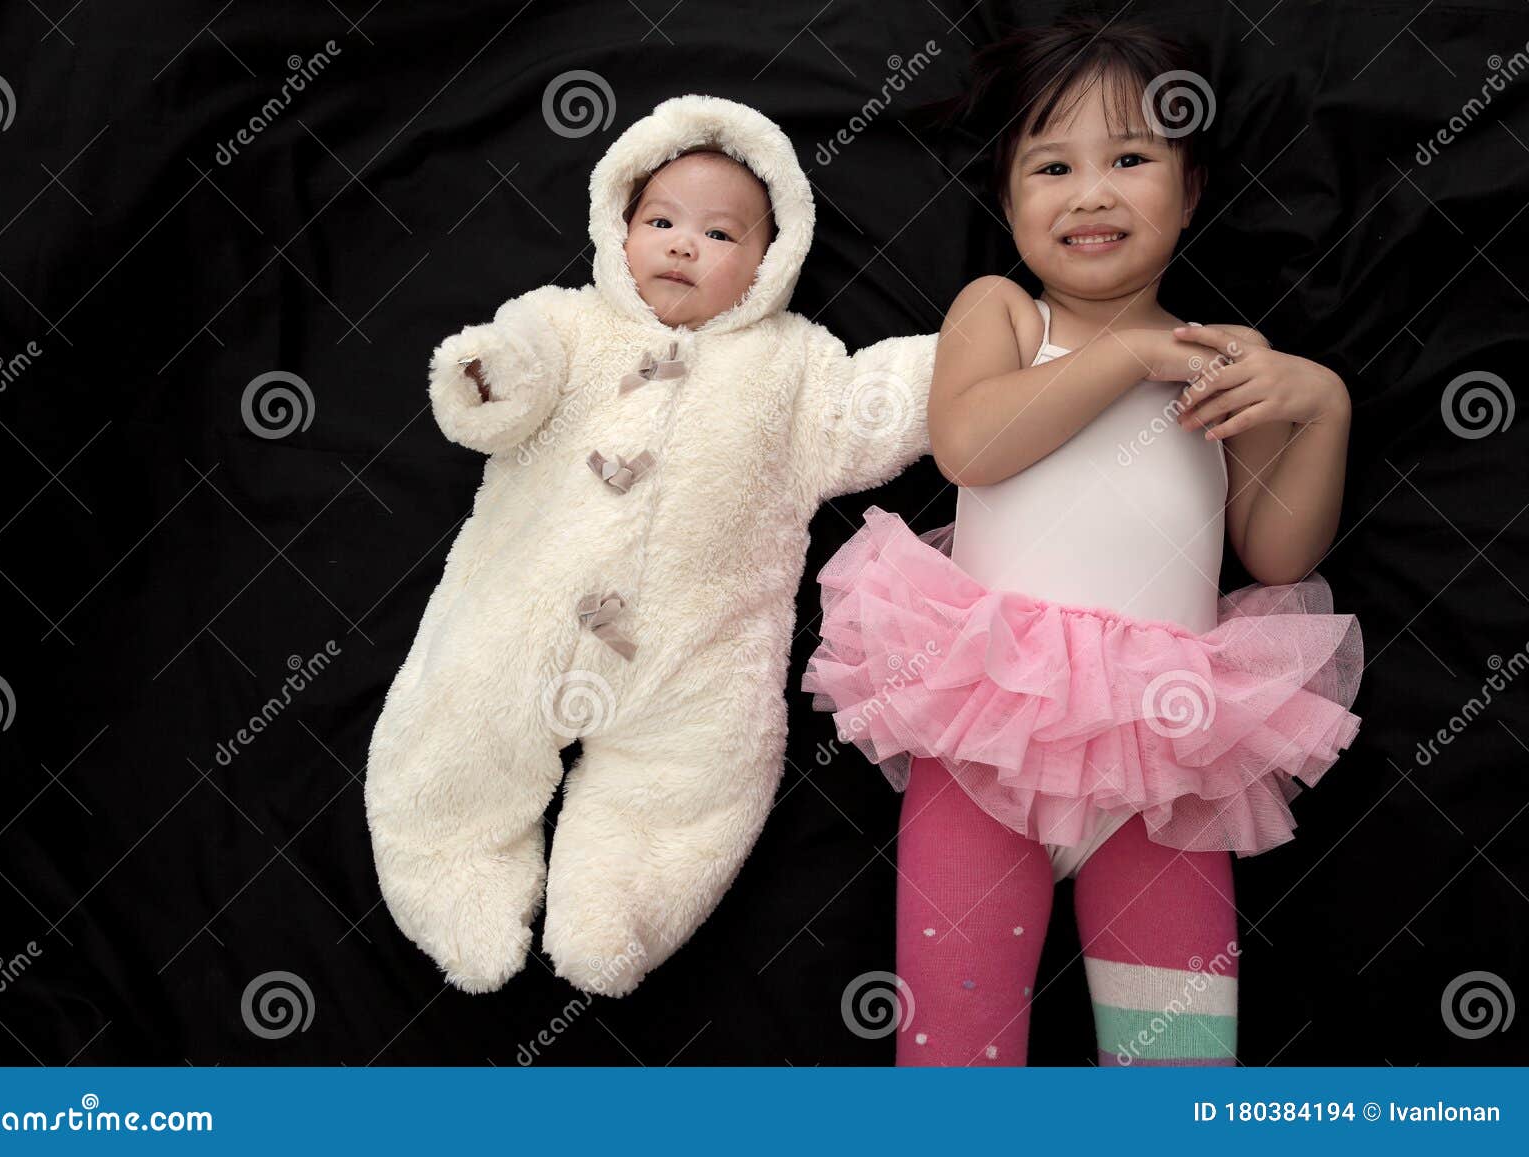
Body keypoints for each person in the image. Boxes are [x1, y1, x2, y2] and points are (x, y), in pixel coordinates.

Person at [803, 18, 1363, 1065]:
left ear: (1189, 191)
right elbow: (970, 442)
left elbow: (1277, 555)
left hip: (1167, 737)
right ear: (1010, 199)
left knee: (1180, 1062)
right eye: (1051, 165)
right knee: (952, 1047)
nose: (1091, 191)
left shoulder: (1220, 360)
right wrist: (1127, 358)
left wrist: (1320, 404)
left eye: (1131, 159)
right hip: (986, 719)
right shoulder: (1005, 313)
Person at [366, 95, 939, 998]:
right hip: (517, 621)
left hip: (695, 654)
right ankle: (453, 881)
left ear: (768, 262)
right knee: (455, 731)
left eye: (719, 234)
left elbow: (876, 405)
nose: (681, 244)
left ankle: (616, 914)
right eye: (661, 221)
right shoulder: (566, 322)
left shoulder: (795, 363)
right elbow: (510, 381)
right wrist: (489, 376)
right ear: (618, 226)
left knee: (698, 783)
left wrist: (975, 359)